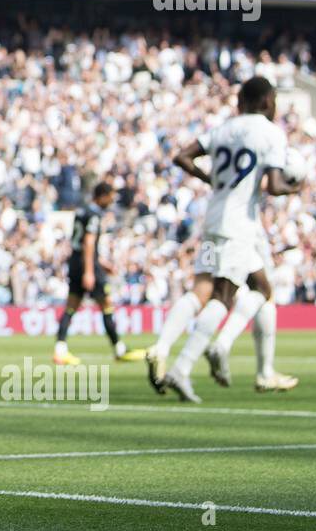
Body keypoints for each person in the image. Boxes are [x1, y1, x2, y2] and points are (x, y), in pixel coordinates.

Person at [158, 77, 301, 402]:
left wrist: (210, 179)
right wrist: (297, 187)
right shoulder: (270, 133)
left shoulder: (223, 129)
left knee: (253, 289)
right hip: (239, 226)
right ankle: (189, 363)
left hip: (213, 218)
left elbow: (183, 156)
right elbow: (275, 186)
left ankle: (256, 368)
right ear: (266, 100)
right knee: (226, 295)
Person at [52, 180, 146, 366]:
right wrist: (90, 271)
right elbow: (88, 242)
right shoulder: (94, 214)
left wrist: (101, 263)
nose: (111, 201)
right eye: (110, 197)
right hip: (87, 266)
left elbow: (80, 244)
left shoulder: (82, 211)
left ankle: (60, 350)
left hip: (76, 263)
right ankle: (119, 349)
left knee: (71, 306)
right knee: (106, 304)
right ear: (102, 196)